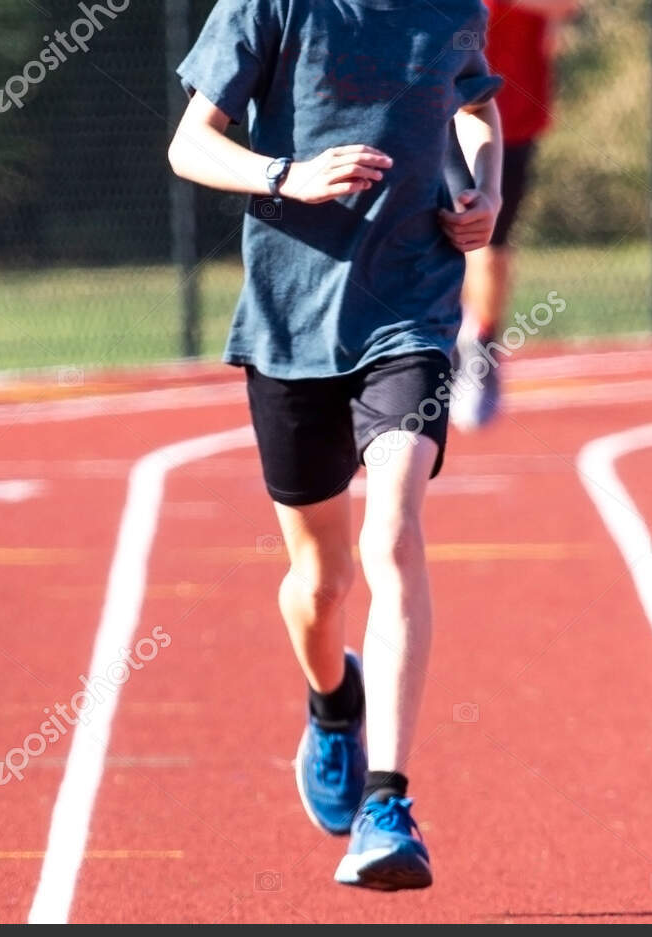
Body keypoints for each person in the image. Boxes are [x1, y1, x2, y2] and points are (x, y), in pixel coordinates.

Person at [168, 0, 503, 890]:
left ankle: (388, 802)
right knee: (320, 584)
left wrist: (486, 190)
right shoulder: (269, 6)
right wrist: (288, 176)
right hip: (289, 324)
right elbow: (190, 143)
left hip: (412, 312)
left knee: (391, 534)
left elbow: (476, 105)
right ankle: (331, 704)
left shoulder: (452, 9)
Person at [450, 0, 579, 432]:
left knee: (488, 242)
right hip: (440, 108)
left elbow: (566, 8)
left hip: (512, 115)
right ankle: (449, 337)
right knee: (444, 233)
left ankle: (481, 347)